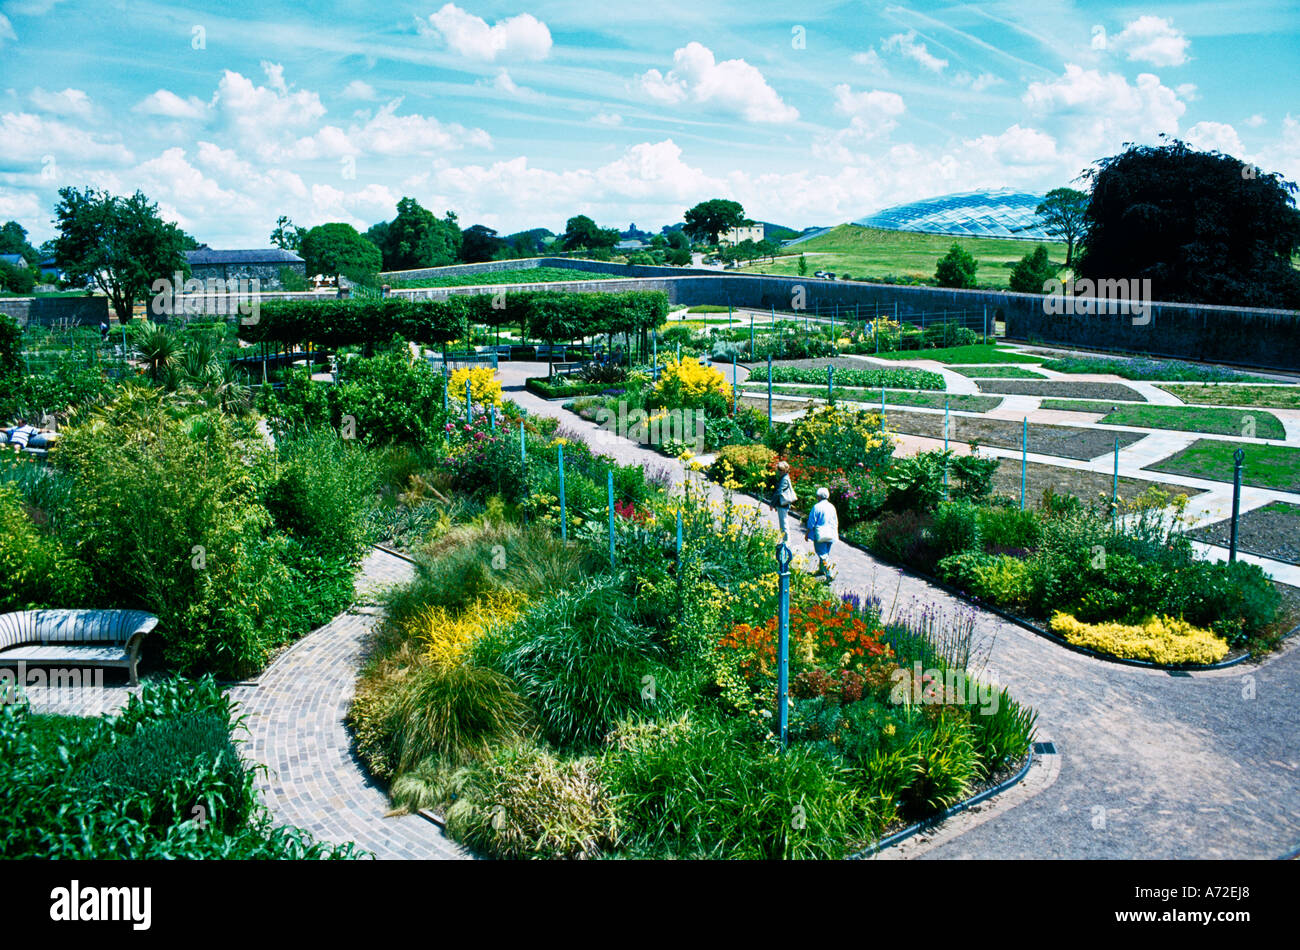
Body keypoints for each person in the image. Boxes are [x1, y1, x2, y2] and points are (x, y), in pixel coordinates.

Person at [806, 486, 839, 579]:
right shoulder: (832, 507)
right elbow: (835, 521)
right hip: (831, 533)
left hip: (820, 534)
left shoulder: (817, 507)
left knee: (822, 554)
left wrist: (807, 533)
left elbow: (811, 522)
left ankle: (829, 573)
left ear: (819, 496)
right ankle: (821, 570)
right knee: (825, 553)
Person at [770, 460, 796, 540]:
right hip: (782, 504)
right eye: (779, 470)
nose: (779, 472)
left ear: (785, 470)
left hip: (783, 504)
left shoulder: (784, 479)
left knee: (784, 523)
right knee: (783, 523)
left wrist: (772, 504)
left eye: (780, 470)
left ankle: (786, 541)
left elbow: (779, 492)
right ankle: (785, 540)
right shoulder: (785, 477)